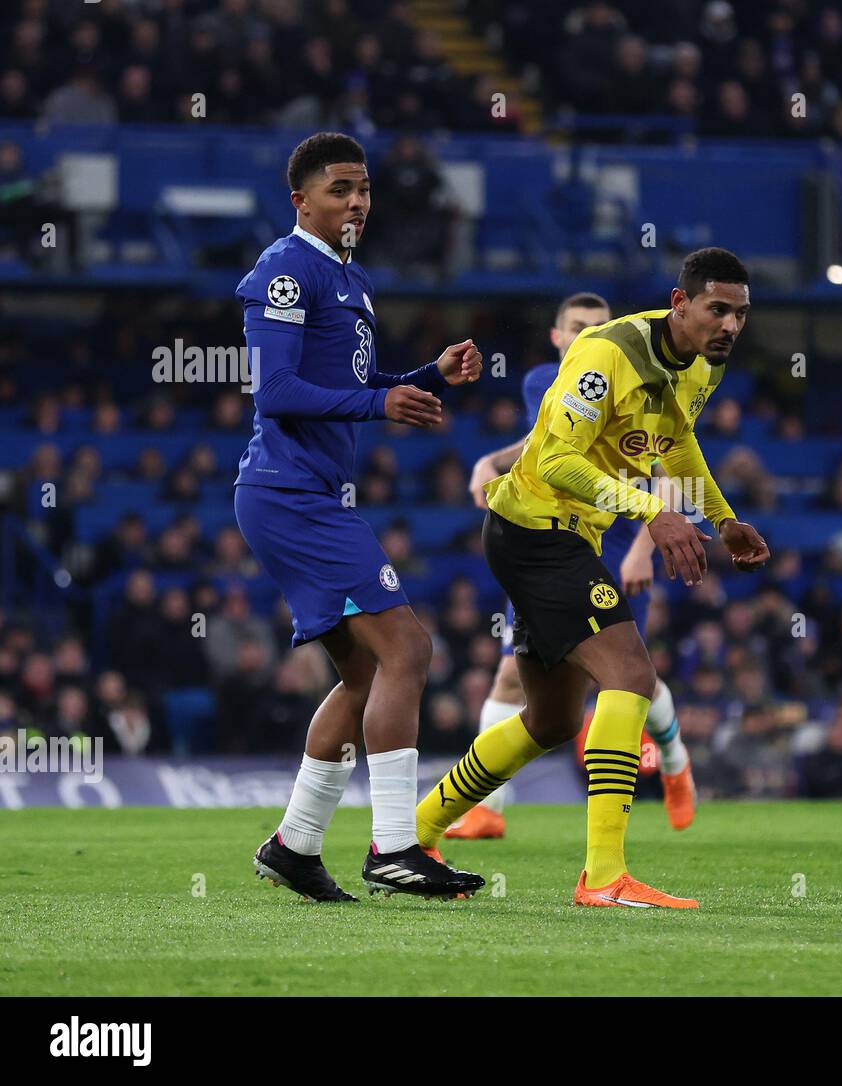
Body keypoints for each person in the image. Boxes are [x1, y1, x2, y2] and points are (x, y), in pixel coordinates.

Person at [415, 248, 770, 908]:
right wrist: (652, 510)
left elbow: (678, 442)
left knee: (550, 718)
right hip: (536, 528)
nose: (729, 325)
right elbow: (552, 462)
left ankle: (420, 829)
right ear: (680, 302)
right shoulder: (607, 353)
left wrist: (722, 520)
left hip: (565, 536)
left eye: (741, 314)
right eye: (718, 309)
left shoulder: (696, 366)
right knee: (631, 675)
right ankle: (604, 876)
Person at [234, 131, 486, 902]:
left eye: (365, 189)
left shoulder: (349, 276)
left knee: (368, 669)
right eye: (341, 189)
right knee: (409, 645)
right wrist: (381, 402)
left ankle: (295, 844)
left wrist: (420, 377)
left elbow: (350, 378)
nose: (357, 202)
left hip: (305, 493)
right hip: (288, 492)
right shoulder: (283, 270)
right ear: (301, 201)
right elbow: (275, 390)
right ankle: (395, 847)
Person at [445, 292, 696, 841]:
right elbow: (546, 445)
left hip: (622, 540)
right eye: (579, 327)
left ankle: (674, 762)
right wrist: (492, 461)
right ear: (558, 337)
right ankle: (485, 810)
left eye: (601, 327)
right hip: (548, 544)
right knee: (516, 676)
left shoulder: (640, 379)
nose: (591, 335)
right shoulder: (543, 381)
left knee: (630, 678)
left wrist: (640, 550)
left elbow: (666, 466)